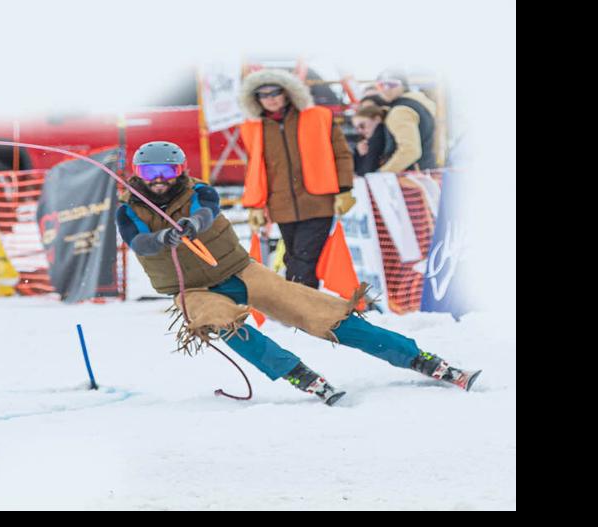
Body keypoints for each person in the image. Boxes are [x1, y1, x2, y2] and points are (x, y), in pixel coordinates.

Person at [115, 142, 481, 404]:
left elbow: (205, 210)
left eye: (168, 171)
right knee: (224, 324)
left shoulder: (200, 191)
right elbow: (139, 243)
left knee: (319, 311)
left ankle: (417, 357)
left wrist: (191, 225)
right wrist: (163, 236)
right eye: (150, 172)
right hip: (193, 289)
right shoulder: (129, 209)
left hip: (240, 270)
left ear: (181, 171)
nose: (159, 179)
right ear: (139, 174)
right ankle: (298, 373)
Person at [238, 69, 355, 290]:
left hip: (318, 202)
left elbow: (341, 154)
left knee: (304, 260)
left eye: (275, 92)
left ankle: (303, 312)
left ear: (288, 93)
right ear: (255, 99)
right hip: (281, 206)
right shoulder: (253, 128)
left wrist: (344, 189)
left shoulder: (319, 116)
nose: (270, 98)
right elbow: (256, 169)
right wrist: (256, 205)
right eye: (263, 94)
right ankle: (302, 311)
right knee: (293, 258)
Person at [373, 69, 440, 173]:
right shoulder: (421, 105)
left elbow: (409, 151)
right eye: (381, 86)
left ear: (403, 85)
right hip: (426, 170)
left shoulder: (400, 110)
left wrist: (383, 173)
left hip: (408, 175)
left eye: (391, 85)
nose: (386, 89)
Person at [352, 102, 389, 176]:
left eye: (362, 125)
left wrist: (362, 156)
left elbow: (366, 172)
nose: (360, 130)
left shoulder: (377, 138)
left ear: (377, 119)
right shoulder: (369, 140)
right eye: (357, 128)